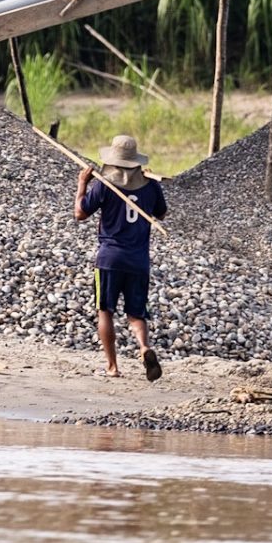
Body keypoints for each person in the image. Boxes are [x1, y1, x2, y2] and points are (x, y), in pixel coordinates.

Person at [74, 133, 167, 381]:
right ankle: (144, 347)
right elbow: (162, 213)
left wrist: (82, 184)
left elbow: (80, 213)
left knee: (105, 311)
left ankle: (112, 367)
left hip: (109, 259)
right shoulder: (151, 184)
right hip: (138, 261)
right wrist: (150, 184)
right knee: (137, 314)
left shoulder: (104, 184)